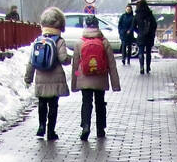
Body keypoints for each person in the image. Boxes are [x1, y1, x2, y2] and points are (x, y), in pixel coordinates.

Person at [24, 7, 71, 141]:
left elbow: (31, 61)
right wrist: (71, 59)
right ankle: (51, 131)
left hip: (41, 78)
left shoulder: (38, 40)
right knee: (53, 105)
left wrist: (28, 78)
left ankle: (41, 126)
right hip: (55, 78)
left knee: (42, 103)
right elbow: (63, 59)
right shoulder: (59, 41)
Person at [71, 16, 120, 141]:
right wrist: (115, 84)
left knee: (86, 102)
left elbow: (75, 66)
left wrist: (76, 79)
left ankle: (85, 126)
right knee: (100, 103)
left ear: (85, 26)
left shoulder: (79, 42)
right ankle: (100, 129)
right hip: (101, 77)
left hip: (84, 78)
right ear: (98, 26)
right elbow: (111, 64)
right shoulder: (104, 42)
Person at [134, 0, 157, 75]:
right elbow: (154, 25)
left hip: (141, 36)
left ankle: (141, 67)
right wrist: (152, 32)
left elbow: (133, 26)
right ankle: (148, 67)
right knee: (148, 53)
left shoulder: (137, 15)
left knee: (140, 52)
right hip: (149, 36)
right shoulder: (150, 14)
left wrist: (138, 32)